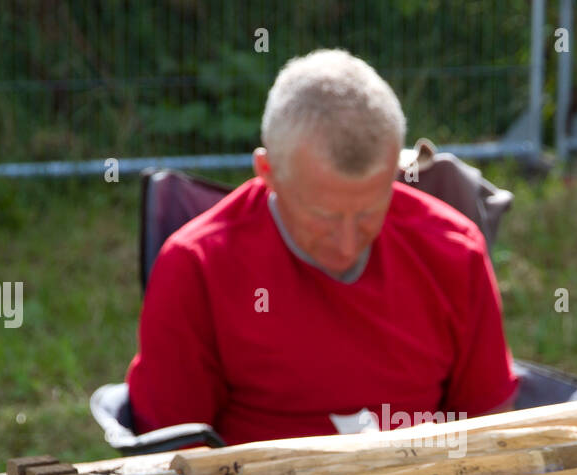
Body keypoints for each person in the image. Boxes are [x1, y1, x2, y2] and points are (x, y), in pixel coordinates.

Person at [124, 49, 518, 446]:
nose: (347, 244)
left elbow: (487, 430)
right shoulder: (197, 266)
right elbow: (172, 455)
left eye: (369, 211)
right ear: (268, 173)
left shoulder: (454, 250)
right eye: (323, 216)